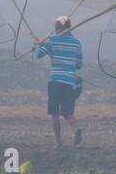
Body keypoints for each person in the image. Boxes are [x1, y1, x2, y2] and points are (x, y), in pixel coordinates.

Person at [35, 16, 84, 148]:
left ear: (57, 28)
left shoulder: (53, 40)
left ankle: (58, 143)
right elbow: (79, 65)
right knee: (68, 112)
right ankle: (76, 127)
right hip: (70, 82)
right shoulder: (77, 43)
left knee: (55, 113)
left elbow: (39, 55)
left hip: (56, 81)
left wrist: (38, 44)